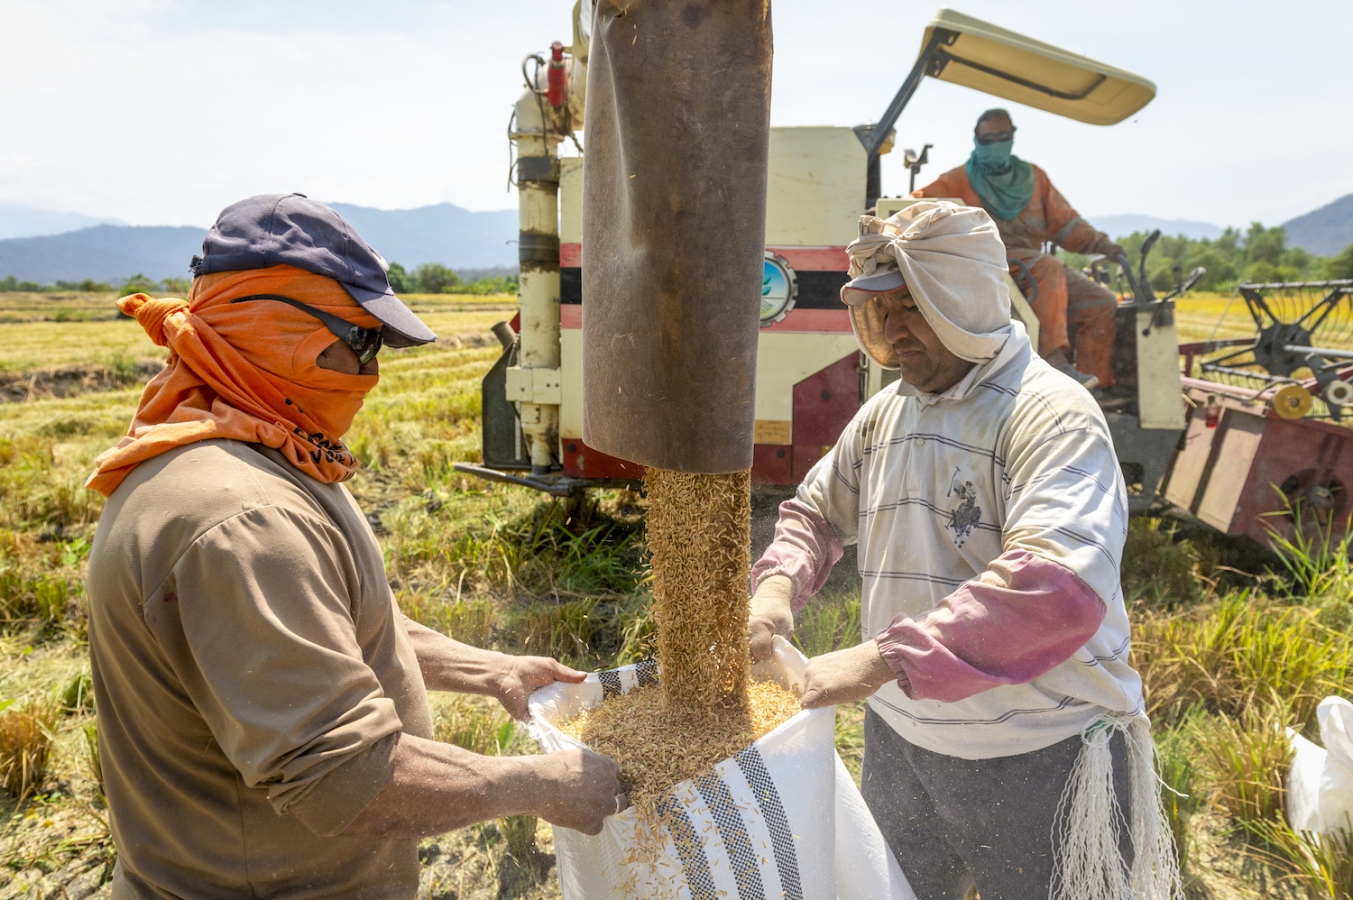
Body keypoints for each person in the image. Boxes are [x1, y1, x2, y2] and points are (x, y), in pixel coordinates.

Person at [84, 194, 625, 898]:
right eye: (362, 340)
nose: (372, 371)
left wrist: (489, 668)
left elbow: (322, 626)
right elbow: (342, 780)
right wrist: (536, 784)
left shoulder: (263, 452)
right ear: (281, 329)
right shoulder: (243, 518)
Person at [747, 201, 1178, 900]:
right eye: (876, 314)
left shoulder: (1049, 415)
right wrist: (773, 593)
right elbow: (817, 513)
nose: (891, 333)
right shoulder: (890, 410)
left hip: (1042, 757)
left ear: (967, 298)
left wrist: (879, 660)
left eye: (910, 308)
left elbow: (1053, 588)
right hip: (903, 745)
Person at [911, 108, 1126, 391]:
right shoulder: (958, 180)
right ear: (976, 141)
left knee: (1100, 303)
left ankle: (1094, 387)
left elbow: (1066, 224)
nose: (996, 145)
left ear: (1013, 137)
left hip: (1031, 264)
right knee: (1049, 267)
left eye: (1003, 136)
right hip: (988, 263)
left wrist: (1104, 245)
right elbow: (915, 207)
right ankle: (1053, 362)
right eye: (988, 139)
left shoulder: (1034, 178)